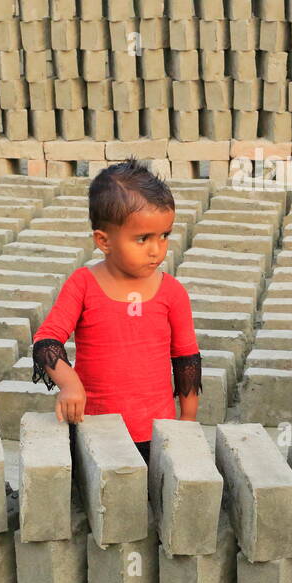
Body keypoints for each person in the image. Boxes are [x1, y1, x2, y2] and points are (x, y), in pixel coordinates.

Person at [31, 159, 202, 462]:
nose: (156, 249)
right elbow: (47, 341)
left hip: (155, 430)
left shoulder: (172, 292)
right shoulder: (83, 284)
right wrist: (69, 385)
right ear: (104, 241)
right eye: (142, 239)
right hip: (94, 426)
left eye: (164, 235)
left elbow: (186, 359)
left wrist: (187, 420)